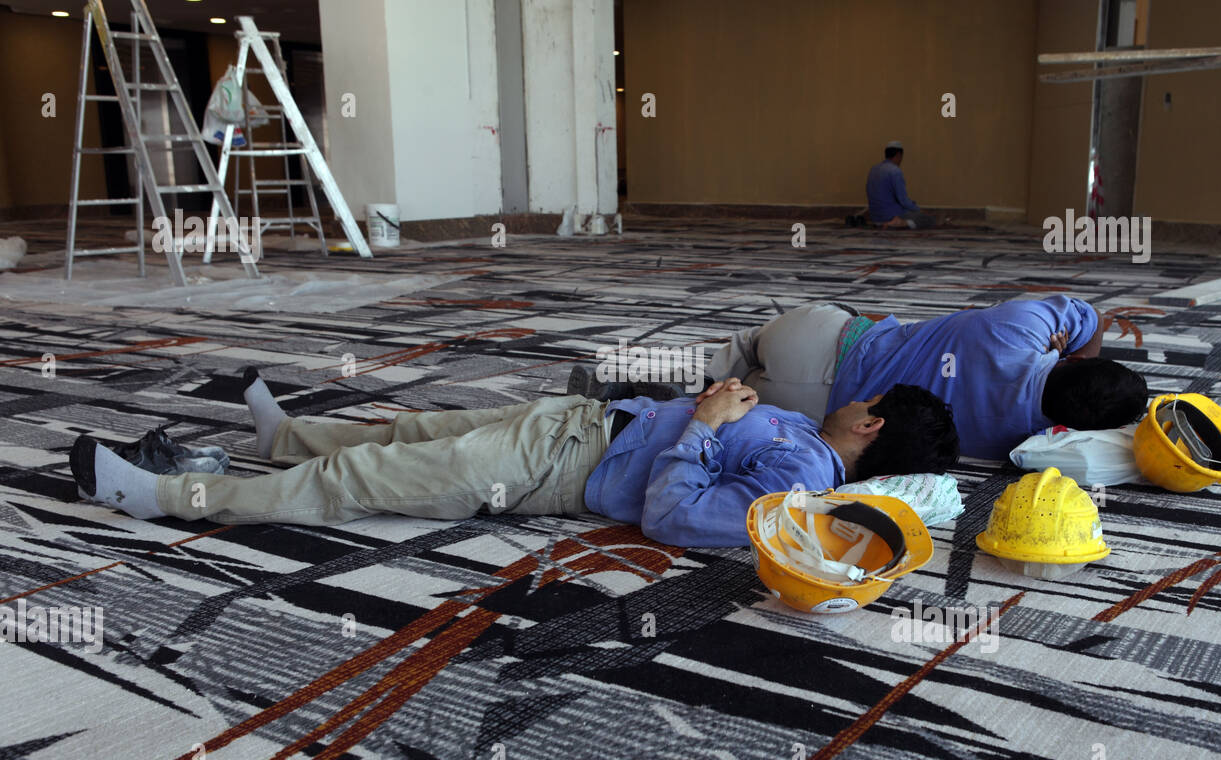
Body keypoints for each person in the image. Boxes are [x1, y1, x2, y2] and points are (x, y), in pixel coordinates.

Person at [69, 368, 959, 549]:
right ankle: (281, 439)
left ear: (870, 424)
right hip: (577, 420)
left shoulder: (800, 483)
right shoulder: (801, 435)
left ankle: (172, 497)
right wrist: (718, 405)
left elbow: (675, 515)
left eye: (866, 394)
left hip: (557, 469)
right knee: (403, 435)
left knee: (366, 483)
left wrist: (700, 422)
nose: (854, 392)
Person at [706, 295, 1147, 460]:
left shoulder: (1024, 325)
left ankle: (717, 366)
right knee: (743, 391)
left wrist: (1069, 349)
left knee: (758, 342)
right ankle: (713, 400)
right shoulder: (1025, 443)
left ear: (1073, 363)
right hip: (802, 413)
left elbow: (1096, 318)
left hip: (811, 340)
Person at [866, 141, 936, 229]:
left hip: (875, 217)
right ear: (899, 155)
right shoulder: (895, 171)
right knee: (930, 220)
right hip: (891, 215)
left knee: (912, 213)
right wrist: (919, 210)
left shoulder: (874, 169)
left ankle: (891, 223)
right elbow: (903, 200)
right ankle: (899, 223)